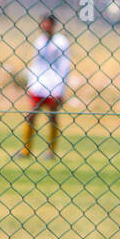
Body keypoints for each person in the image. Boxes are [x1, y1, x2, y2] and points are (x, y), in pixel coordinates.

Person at [18, 13, 71, 159]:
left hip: (54, 85)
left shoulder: (61, 42)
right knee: (31, 115)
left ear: (53, 25)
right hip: (39, 85)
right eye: (43, 23)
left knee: (52, 117)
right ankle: (26, 150)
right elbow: (36, 64)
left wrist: (61, 89)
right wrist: (31, 84)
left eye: (47, 23)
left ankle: (51, 151)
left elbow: (65, 65)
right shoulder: (39, 41)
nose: (45, 26)